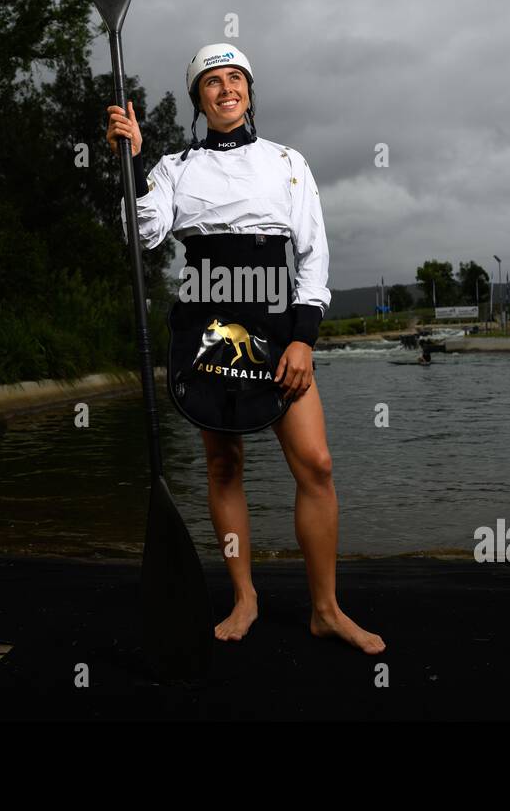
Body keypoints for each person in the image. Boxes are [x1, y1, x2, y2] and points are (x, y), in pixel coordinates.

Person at [106, 43, 384, 655]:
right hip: (208, 329)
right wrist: (129, 163)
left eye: (236, 79)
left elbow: (313, 255)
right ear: (198, 99)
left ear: (250, 92)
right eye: (212, 81)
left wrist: (303, 341)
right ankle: (245, 597)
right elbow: (141, 235)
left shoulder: (288, 162)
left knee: (316, 464)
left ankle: (326, 610)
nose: (226, 88)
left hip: (278, 326)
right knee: (223, 466)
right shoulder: (174, 168)